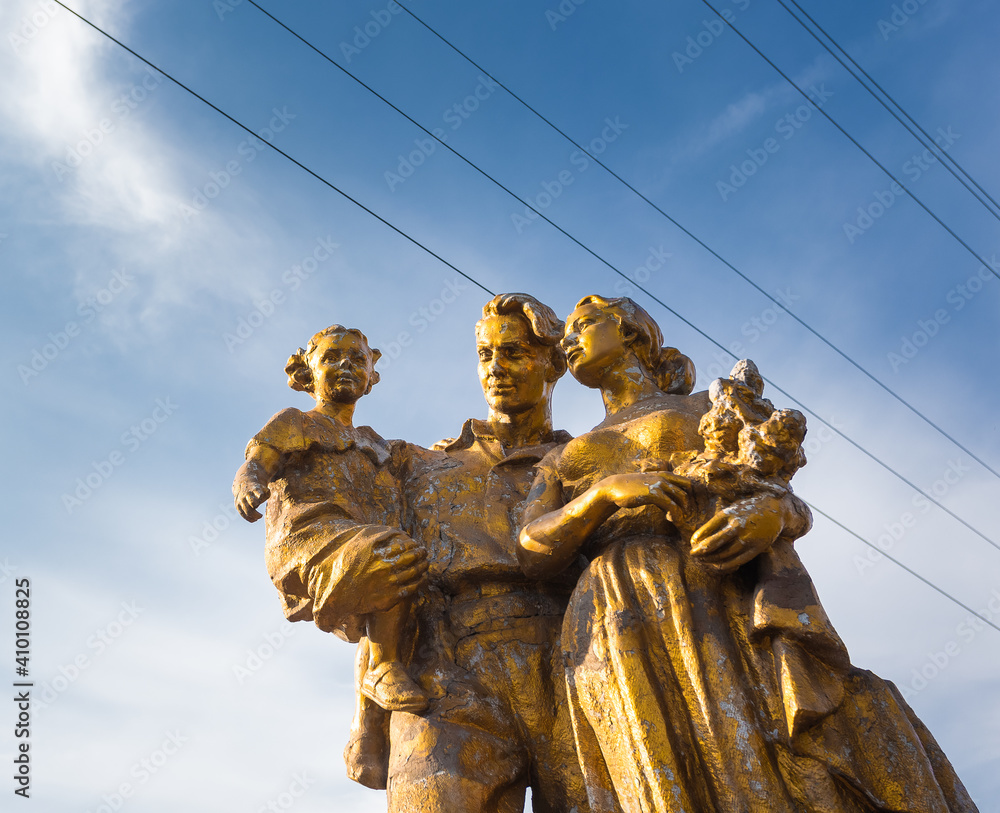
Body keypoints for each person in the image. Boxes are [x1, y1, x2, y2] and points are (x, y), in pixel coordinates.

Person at [519, 295, 977, 813]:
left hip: (710, 582)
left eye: (584, 325)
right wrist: (604, 494)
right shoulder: (559, 458)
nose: (569, 340)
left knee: (753, 748)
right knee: (648, 762)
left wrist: (773, 515)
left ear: (632, 333)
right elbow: (533, 548)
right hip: (610, 604)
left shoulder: (705, 410)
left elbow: (781, 494)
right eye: (566, 334)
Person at [257, 296, 595, 813]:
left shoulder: (590, 463)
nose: (497, 369)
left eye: (514, 353)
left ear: (554, 364)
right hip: (446, 675)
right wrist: (365, 716)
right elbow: (347, 542)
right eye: (486, 355)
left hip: (577, 664)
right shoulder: (413, 464)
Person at [233, 324, 428, 714]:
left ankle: (368, 735)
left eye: (358, 359)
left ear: (372, 374)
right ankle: (383, 667)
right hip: (309, 535)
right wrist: (249, 484)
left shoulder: (380, 445)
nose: (345, 365)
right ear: (308, 373)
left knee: (414, 584)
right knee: (393, 555)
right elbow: (255, 464)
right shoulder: (297, 422)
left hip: (363, 539)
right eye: (331, 358)